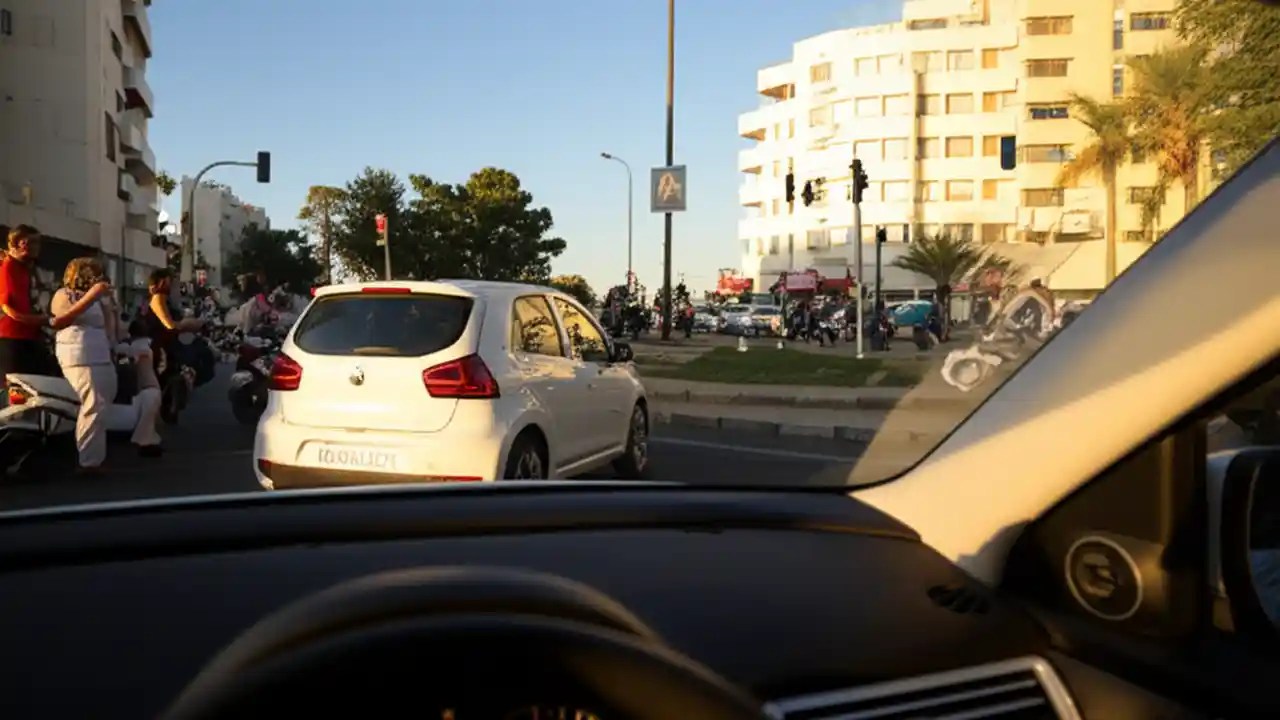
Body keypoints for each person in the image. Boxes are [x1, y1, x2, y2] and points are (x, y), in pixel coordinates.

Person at [50, 257, 118, 473]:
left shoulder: (97, 299)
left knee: (100, 405)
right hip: (80, 355)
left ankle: (94, 455)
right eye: (94, 273)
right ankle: (89, 461)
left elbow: (110, 328)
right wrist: (92, 296)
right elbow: (61, 320)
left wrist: (110, 308)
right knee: (92, 405)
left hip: (100, 353)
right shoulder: (64, 295)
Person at [0, 225, 59, 380]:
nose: (35, 247)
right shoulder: (8, 268)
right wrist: (46, 320)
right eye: (30, 242)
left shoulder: (25, 269)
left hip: (29, 335)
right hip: (13, 337)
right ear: (16, 243)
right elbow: (10, 308)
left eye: (37, 243)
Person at [124, 318, 163, 457]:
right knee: (148, 423)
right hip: (152, 389)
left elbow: (124, 354)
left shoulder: (136, 347)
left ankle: (147, 446)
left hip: (147, 390)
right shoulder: (148, 345)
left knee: (146, 423)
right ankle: (149, 446)